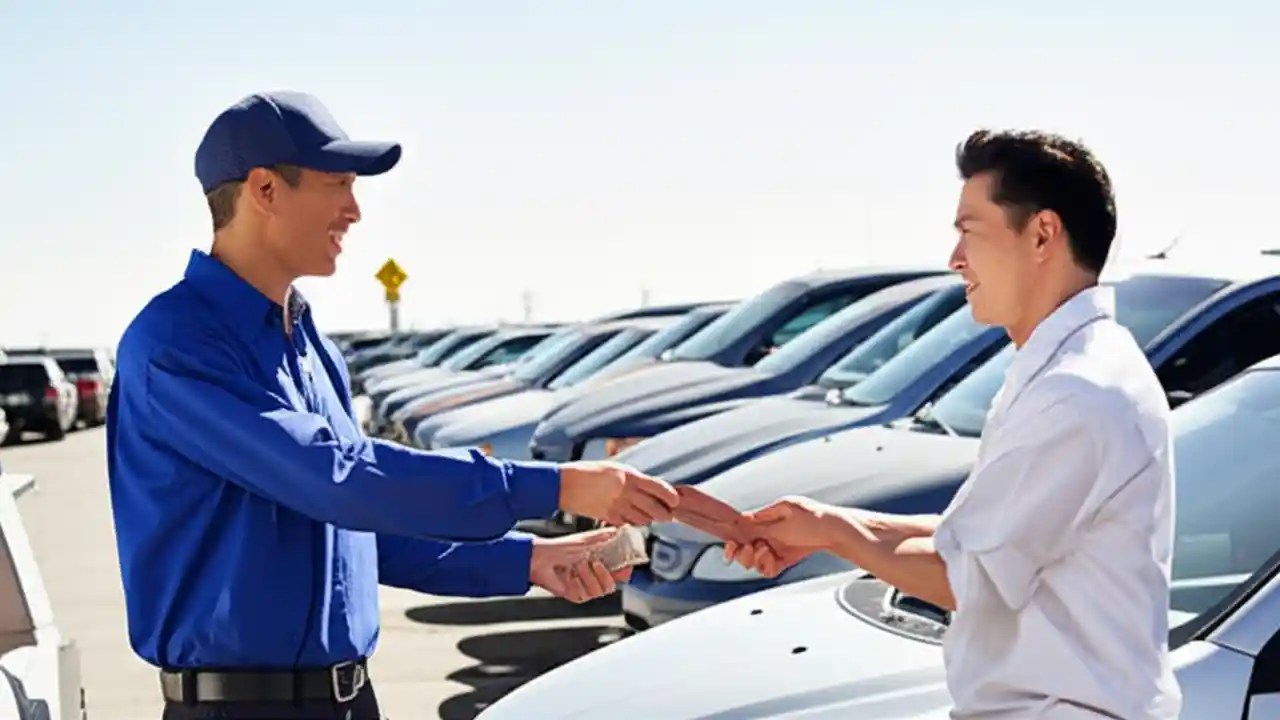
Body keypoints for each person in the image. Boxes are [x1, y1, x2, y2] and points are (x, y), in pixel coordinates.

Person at [105, 90, 680, 720]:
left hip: (350, 703)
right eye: (338, 184)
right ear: (264, 190)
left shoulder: (309, 341)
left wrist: (527, 559)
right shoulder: (177, 344)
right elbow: (340, 479)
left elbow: (358, 532)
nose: (353, 211)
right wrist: (559, 486)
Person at [727, 129, 1181, 718]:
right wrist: (824, 523)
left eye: (969, 230)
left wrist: (835, 535)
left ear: (1042, 233)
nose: (954, 259)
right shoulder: (1073, 369)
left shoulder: (1077, 392)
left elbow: (964, 576)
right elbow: (970, 538)